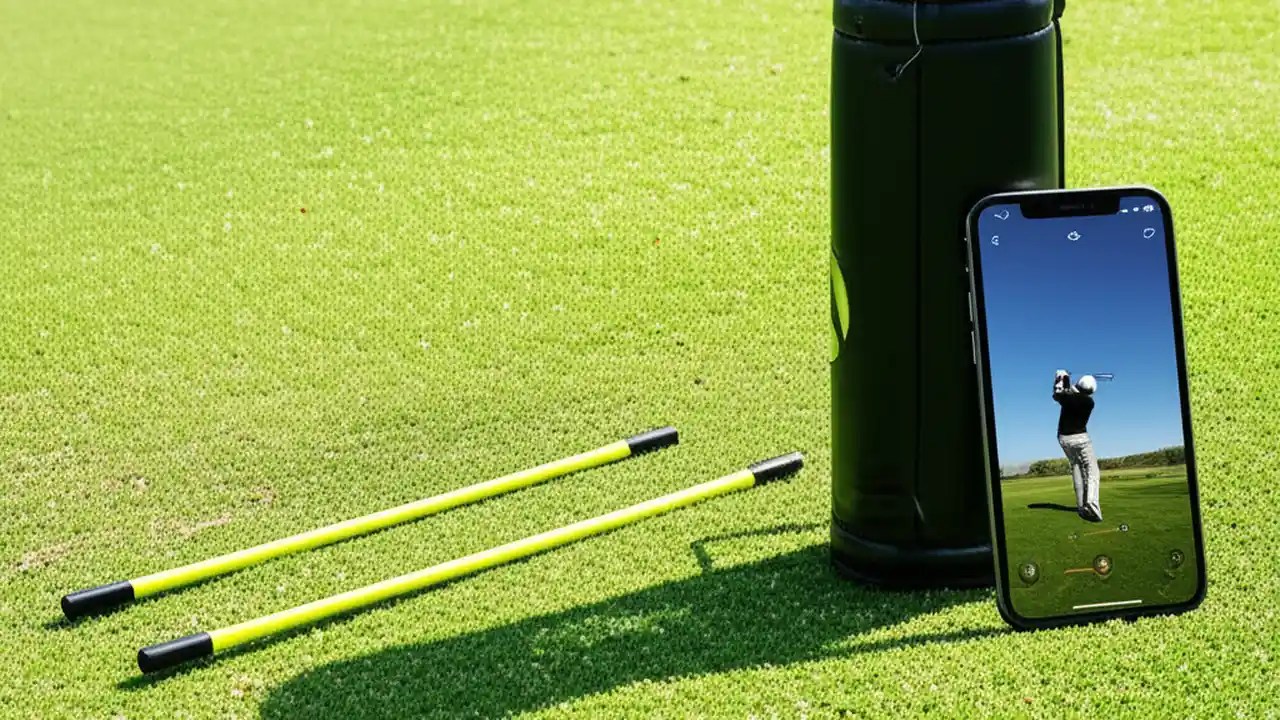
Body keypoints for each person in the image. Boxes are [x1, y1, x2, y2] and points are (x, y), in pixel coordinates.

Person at [1054, 370, 1101, 522]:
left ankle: (1081, 506)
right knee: (1092, 471)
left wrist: (1061, 377)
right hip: (1081, 439)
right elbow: (1068, 392)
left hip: (1063, 439)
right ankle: (1091, 505)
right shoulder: (1089, 402)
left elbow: (1058, 393)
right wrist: (1065, 379)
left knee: (1076, 468)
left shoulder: (1067, 398)